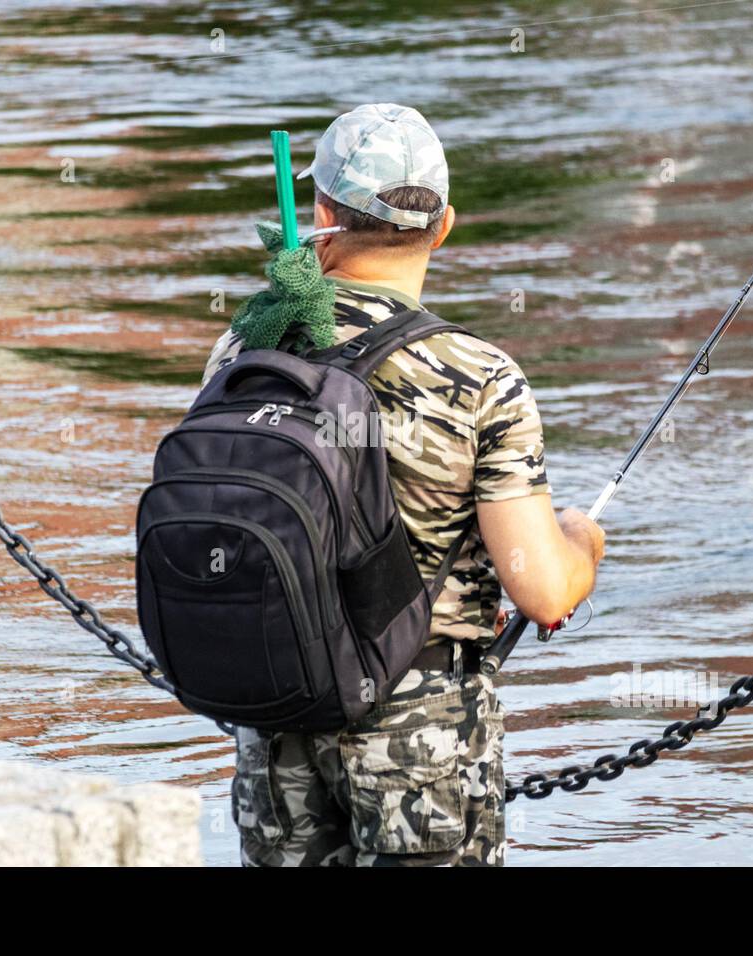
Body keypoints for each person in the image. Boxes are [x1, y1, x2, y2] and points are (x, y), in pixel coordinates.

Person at [200, 103, 605, 866]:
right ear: (443, 225)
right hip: (416, 725)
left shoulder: (242, 349)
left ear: (321, 215)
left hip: (275, 706)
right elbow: (545, 593)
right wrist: (584, 540)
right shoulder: (480, 377)